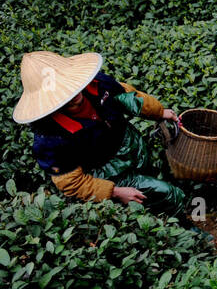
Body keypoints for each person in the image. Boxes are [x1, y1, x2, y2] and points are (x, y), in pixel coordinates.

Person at [13, 50, 188, 215]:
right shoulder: (49, 138)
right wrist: (114, 191)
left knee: (153, 172)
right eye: (63, 93)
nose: (74, 93)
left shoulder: (97, 83)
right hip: (107, 171)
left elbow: (129, 96)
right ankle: (184, 224)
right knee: (167, 193)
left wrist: (159, 112)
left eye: (71, 85)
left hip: (131, 144)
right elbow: (70, 182)